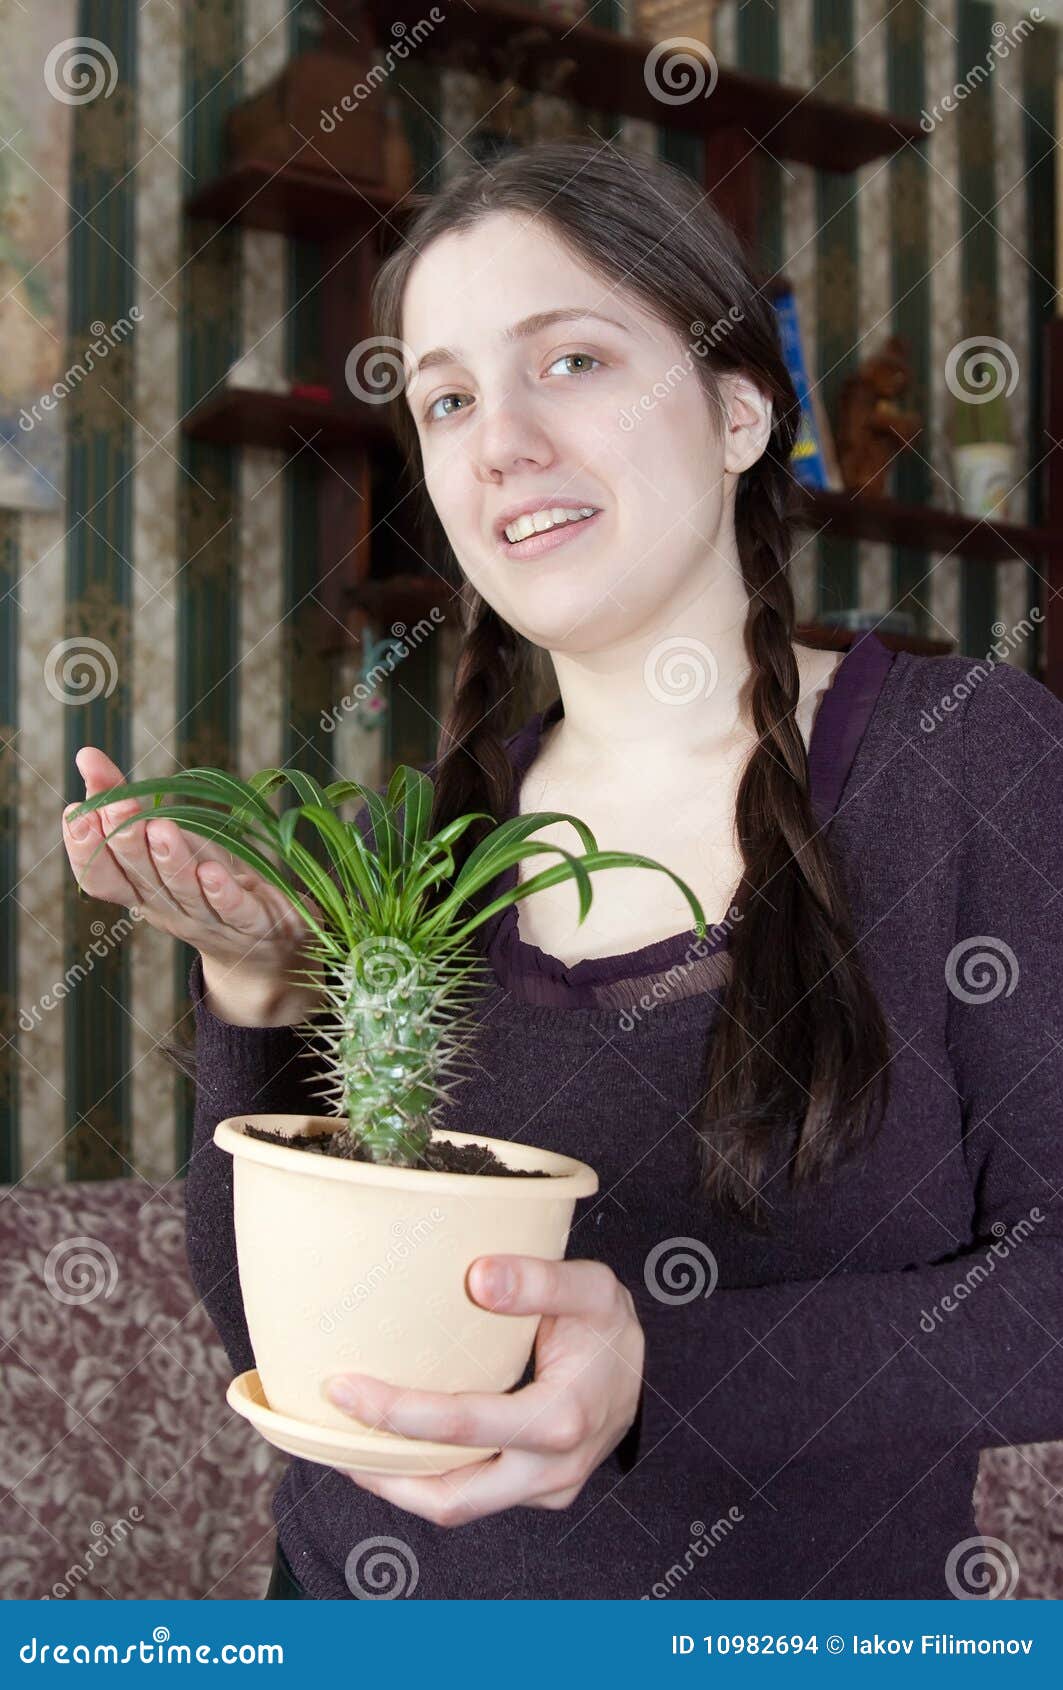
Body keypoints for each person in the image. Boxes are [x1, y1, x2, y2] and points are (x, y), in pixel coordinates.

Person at [62, 139, 1063, 1602]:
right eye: (447, 399)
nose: (499, 442)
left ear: (737, 410)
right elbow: (280, 1347)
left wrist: (662, 1372)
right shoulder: (426, 857)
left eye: (573, 361)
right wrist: (254, 992)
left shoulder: (975, 758)